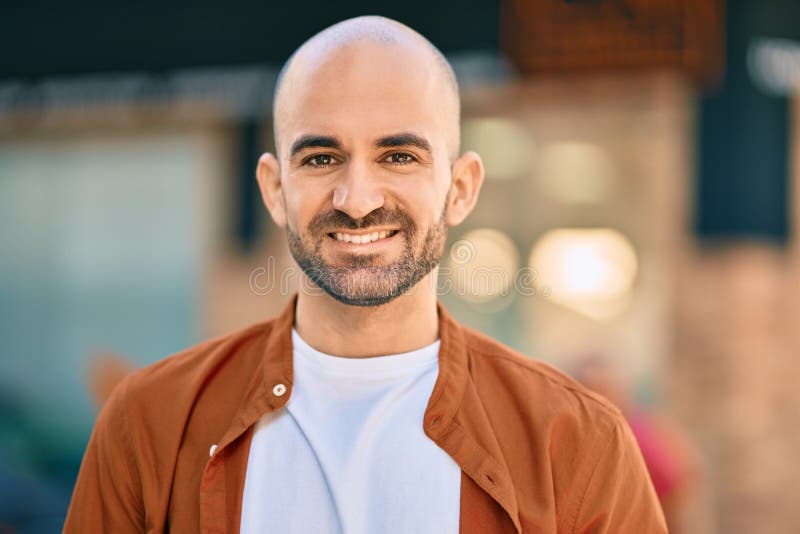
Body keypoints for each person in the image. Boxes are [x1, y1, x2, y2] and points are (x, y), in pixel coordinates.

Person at [64, 16, 667, 533]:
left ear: (460, 189)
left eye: (398, 156)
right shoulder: (150, 423)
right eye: (322, 157)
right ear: (275, 190)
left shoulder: (577, 445)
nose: (356, 199)